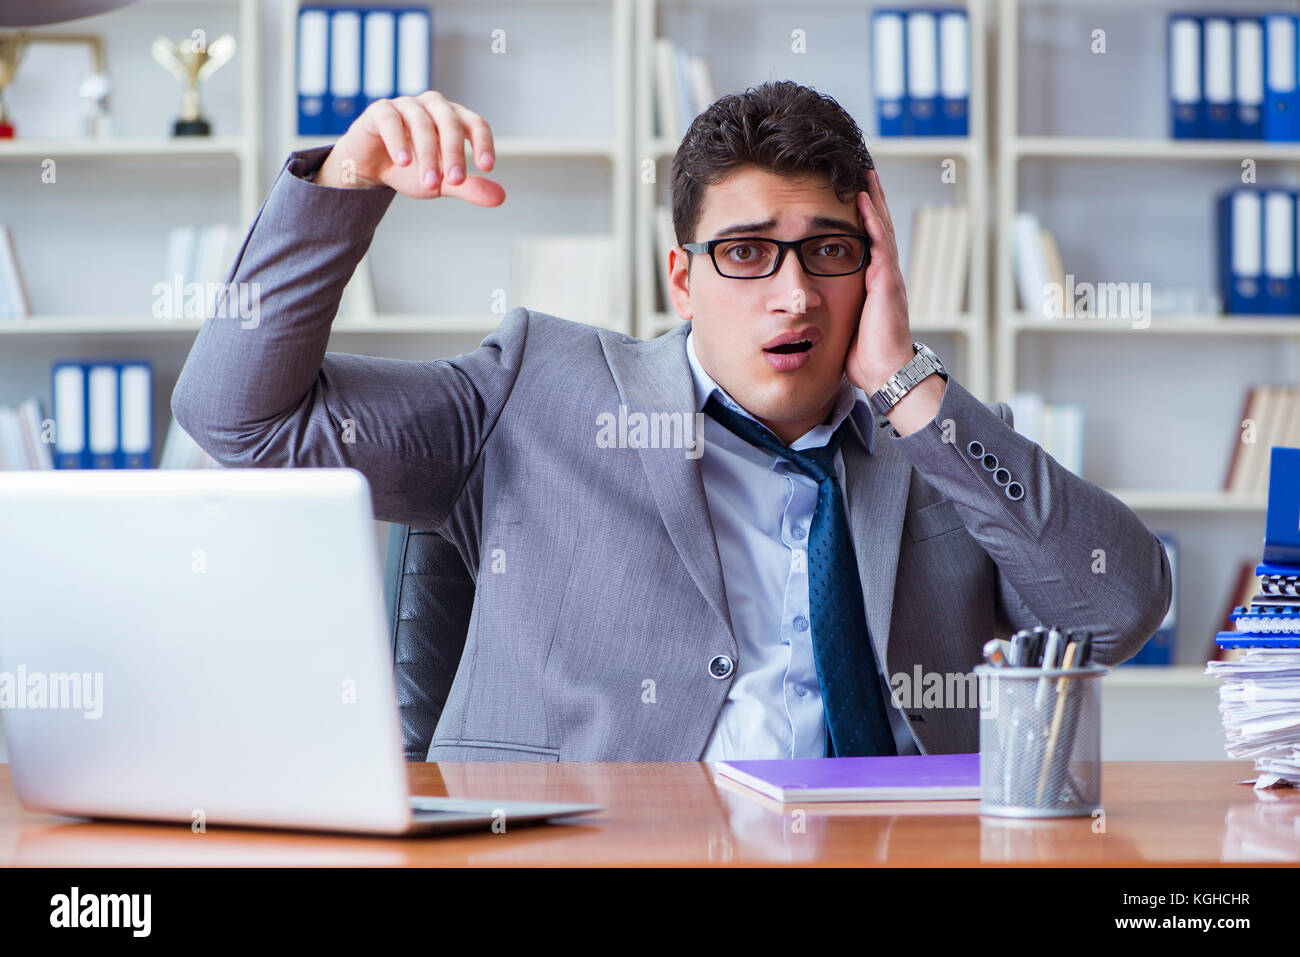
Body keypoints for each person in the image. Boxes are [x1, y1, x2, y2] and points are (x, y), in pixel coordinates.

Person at [171, 79, 1171, 762]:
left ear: (873, 271)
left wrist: (905, 384)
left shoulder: (935, 444)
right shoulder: (534, 387)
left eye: (828, 251)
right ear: (680, 280)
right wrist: (343, 188)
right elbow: (238, 419)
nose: (793, 297)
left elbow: (1118, 607)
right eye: (746, 253)